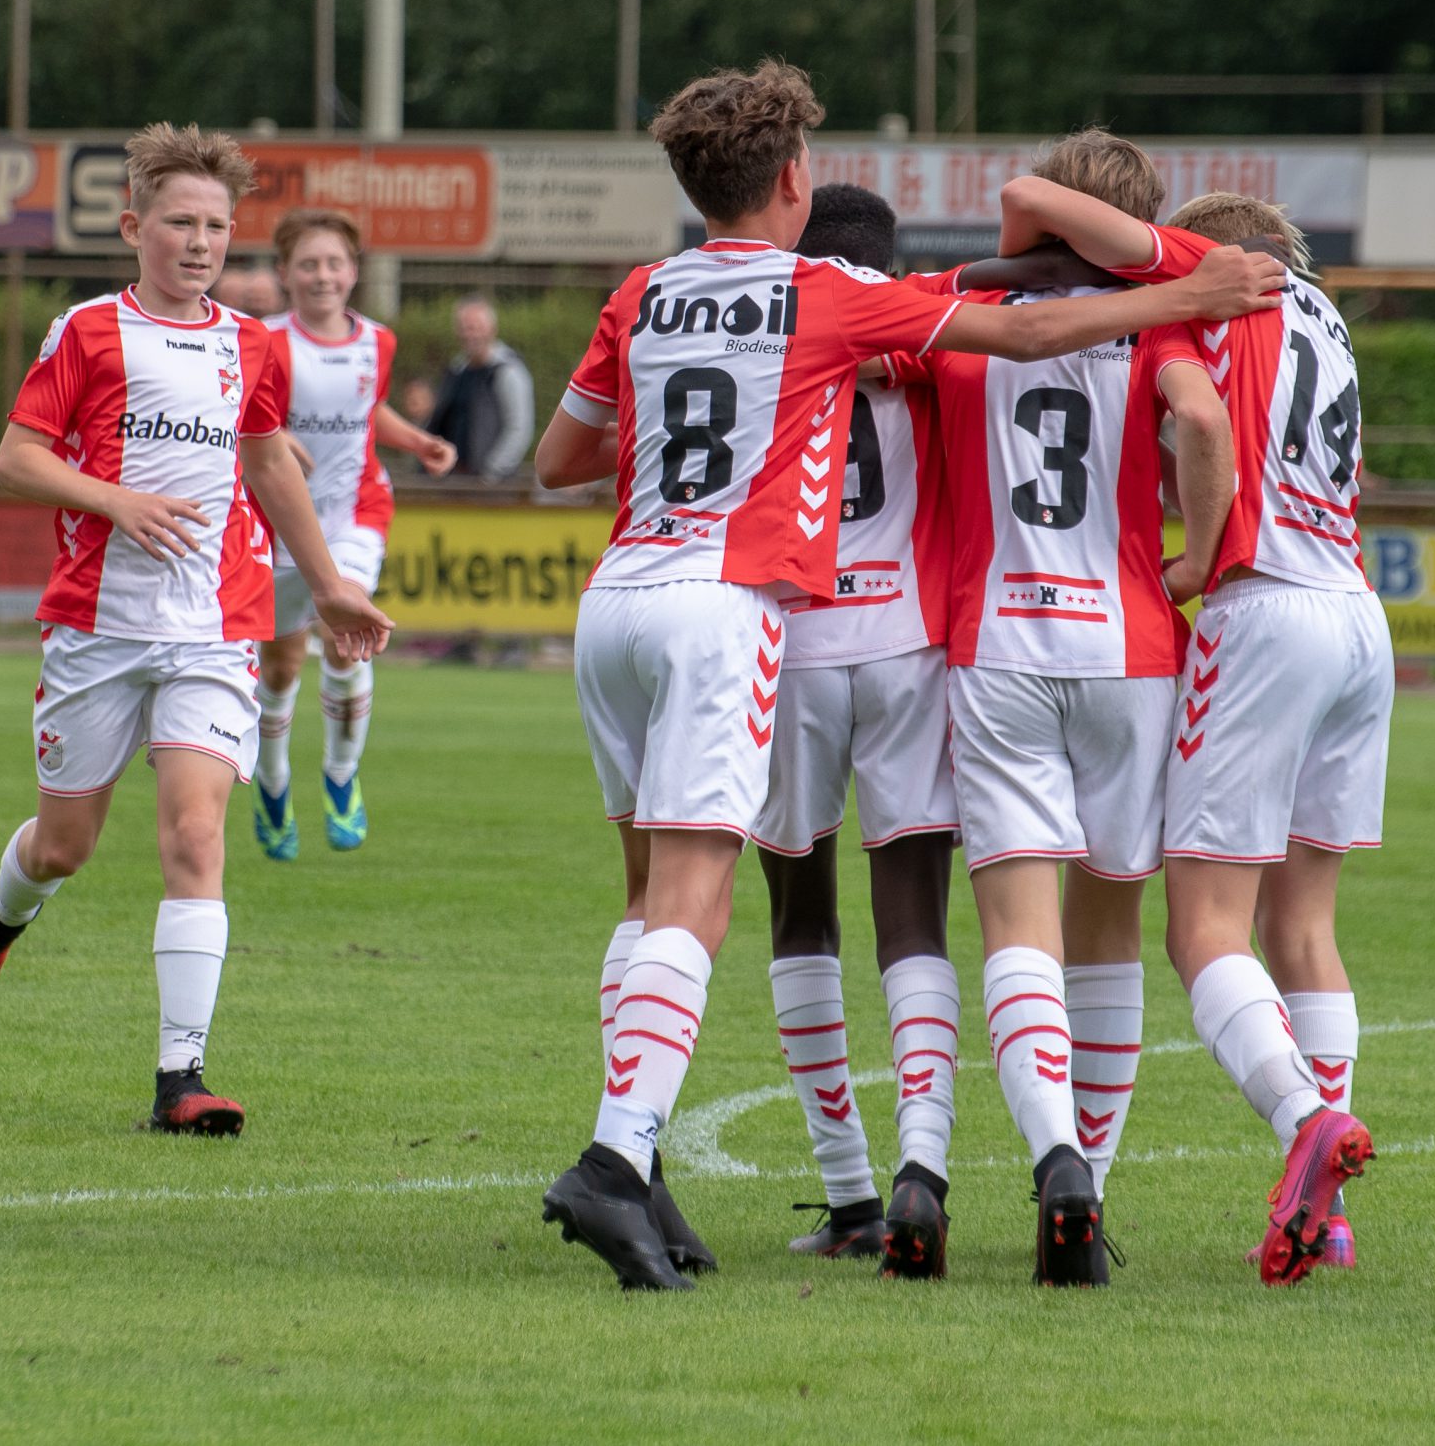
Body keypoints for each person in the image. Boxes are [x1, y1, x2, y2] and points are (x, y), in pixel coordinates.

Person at [527, 62, 1281, 1292]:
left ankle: (656, 1151)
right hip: (779, 615)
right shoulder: (837, 297)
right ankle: (631, 1157)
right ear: (791, 176)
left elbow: (560, 458)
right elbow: (1029, 323)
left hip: (616, 603)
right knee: (718, 899)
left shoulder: (641, 288)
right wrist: (1184, 287)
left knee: (666, 894)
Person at [0, 124, 394, 1136]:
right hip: (97, 627)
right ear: (133, 224)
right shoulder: (87, 331)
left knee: (195, 834)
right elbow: (17, 457)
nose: (198, 242)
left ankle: (180, 1076)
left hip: (213, 622)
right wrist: (115, 500)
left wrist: (326, 587)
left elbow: (272, 464)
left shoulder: (252, 343)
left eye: (216, 226)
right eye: (180, 222)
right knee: (64, 847)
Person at [1003, 181, 1383, 1286]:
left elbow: (1040, 201)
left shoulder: (1215, 281)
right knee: (1303, 924)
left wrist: (1184, 567)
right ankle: (1331, 1207)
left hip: (1262, 607)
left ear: (1217, 256)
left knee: (1203, 929)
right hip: (1357, 619)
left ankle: (1305, 1122)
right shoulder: (1327, 315)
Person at [877, 128, 1237, 1286]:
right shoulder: (1159, 322)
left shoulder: (962, 315)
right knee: (1108, 931)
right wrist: (1195, 557)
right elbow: (1207, 426)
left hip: (999, 644)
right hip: (1130, 644)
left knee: (1017, 930)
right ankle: (1092, 1185)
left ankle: (1054, 1157)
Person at [761, 192, 1126, 1278]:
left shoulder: (775, 318)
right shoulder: (924, 314)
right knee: (910, 898)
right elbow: (993, 300)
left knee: (797, 900)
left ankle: (850, 1189)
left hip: (794, 636)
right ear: (891, 258)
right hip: (913, 641)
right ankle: (926, 1158)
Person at [250, 209, 453, 860]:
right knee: (280, 665)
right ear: (285, 273)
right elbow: (239, 415)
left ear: (354, 272)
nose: (322, 275)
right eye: (308, 263)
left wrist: (417, 440)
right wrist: (274, 434)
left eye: (334, 262)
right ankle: (274, 782)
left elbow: (367, 412)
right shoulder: (263, 342)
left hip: (355, 513)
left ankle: (340, 777)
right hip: (280, 524)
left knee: (348, 640)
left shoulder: (378, 342)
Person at [427, 296, 534, 481]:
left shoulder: (507, 371)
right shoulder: (456, 370)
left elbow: (519, 428)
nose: (469, 334)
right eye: (464, 328)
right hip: (453, 479)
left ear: (492, 329)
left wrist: (491, 472)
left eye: (475, 327)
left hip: (492, 484)